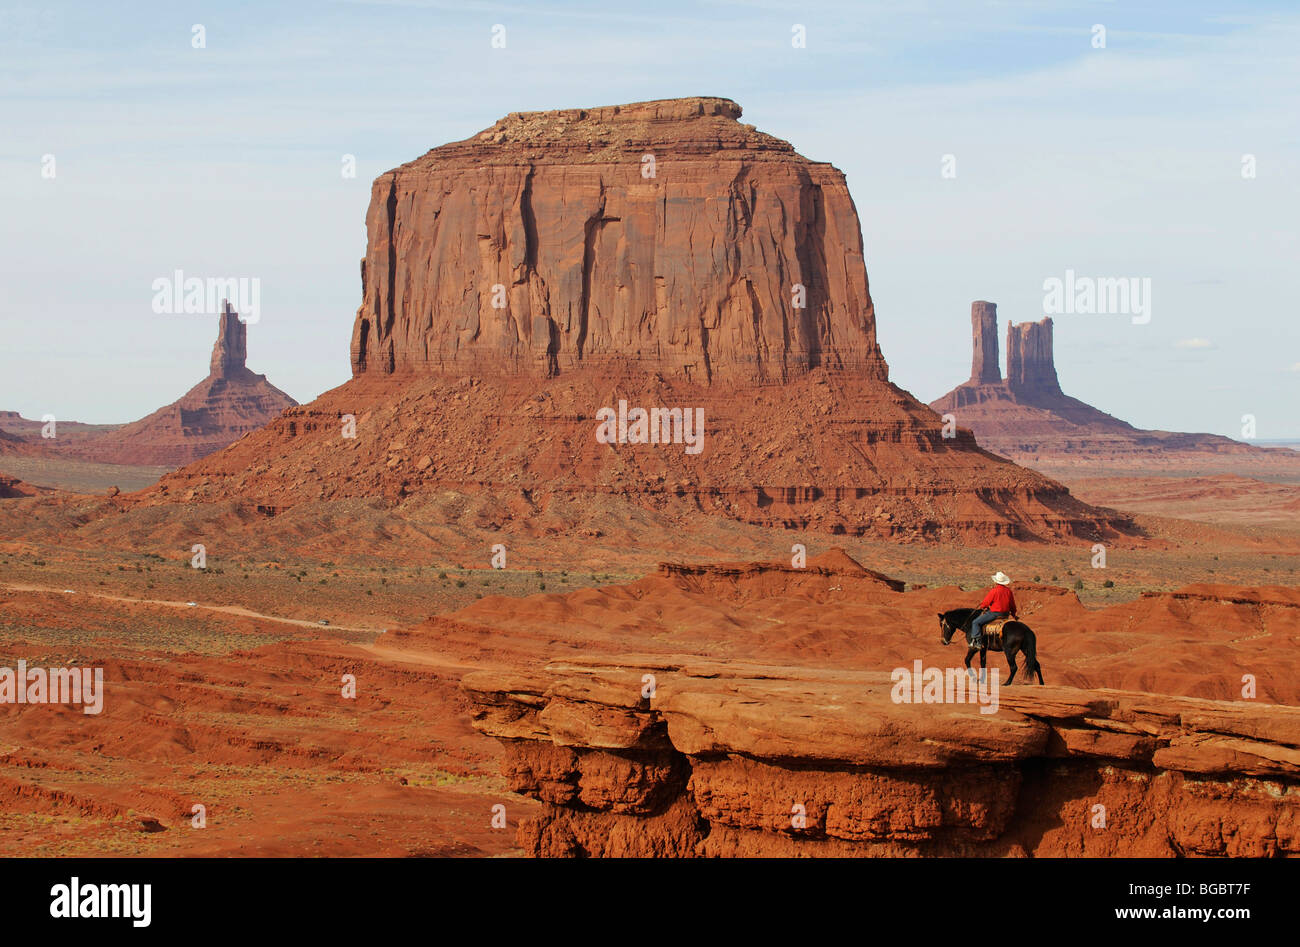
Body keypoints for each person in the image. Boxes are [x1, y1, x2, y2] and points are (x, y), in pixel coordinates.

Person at [969, 572, 1017, 648]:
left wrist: (982, 606)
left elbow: (986, 603)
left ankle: (977, 642)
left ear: (995, 581)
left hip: (995, 614)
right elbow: (1012, 605)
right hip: (1005, 615)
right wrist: (1014, 614)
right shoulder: (1008, 591)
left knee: (975, 622)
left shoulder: (994, 591)